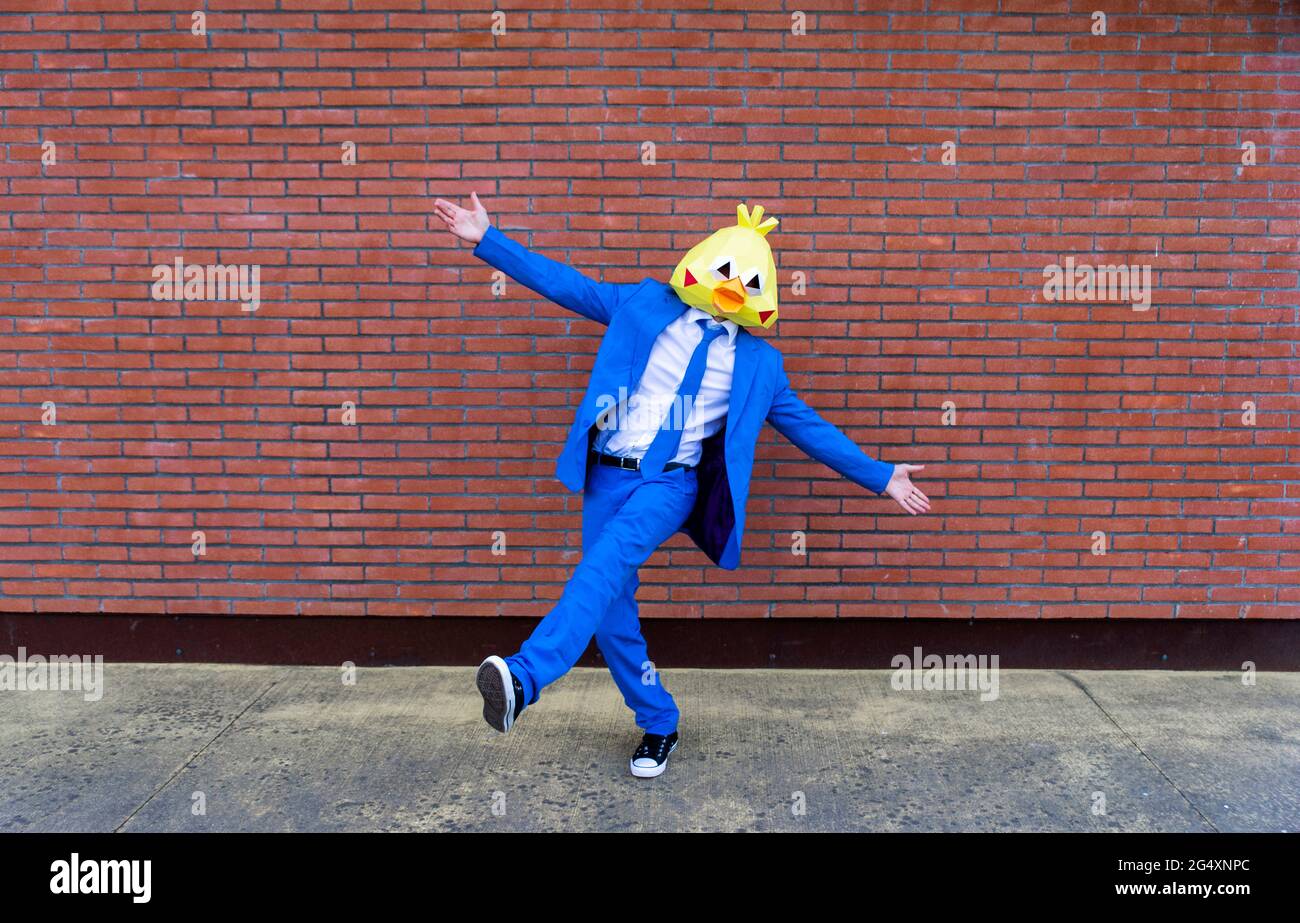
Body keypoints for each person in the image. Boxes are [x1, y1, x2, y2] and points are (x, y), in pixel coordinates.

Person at [434, 194, 930, 778]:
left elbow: (808, 428)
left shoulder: (760, 364)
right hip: (607, 477)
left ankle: (523, 677)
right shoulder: (644, 304)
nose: (730, 286)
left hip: (669, 485)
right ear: (701, 263)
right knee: (612, 612)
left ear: (762, 295)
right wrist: (488, 241)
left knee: (601, 568)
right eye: (724, 271)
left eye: (745, 281)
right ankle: (660, 722)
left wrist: (880, 475)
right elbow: (568, 286)